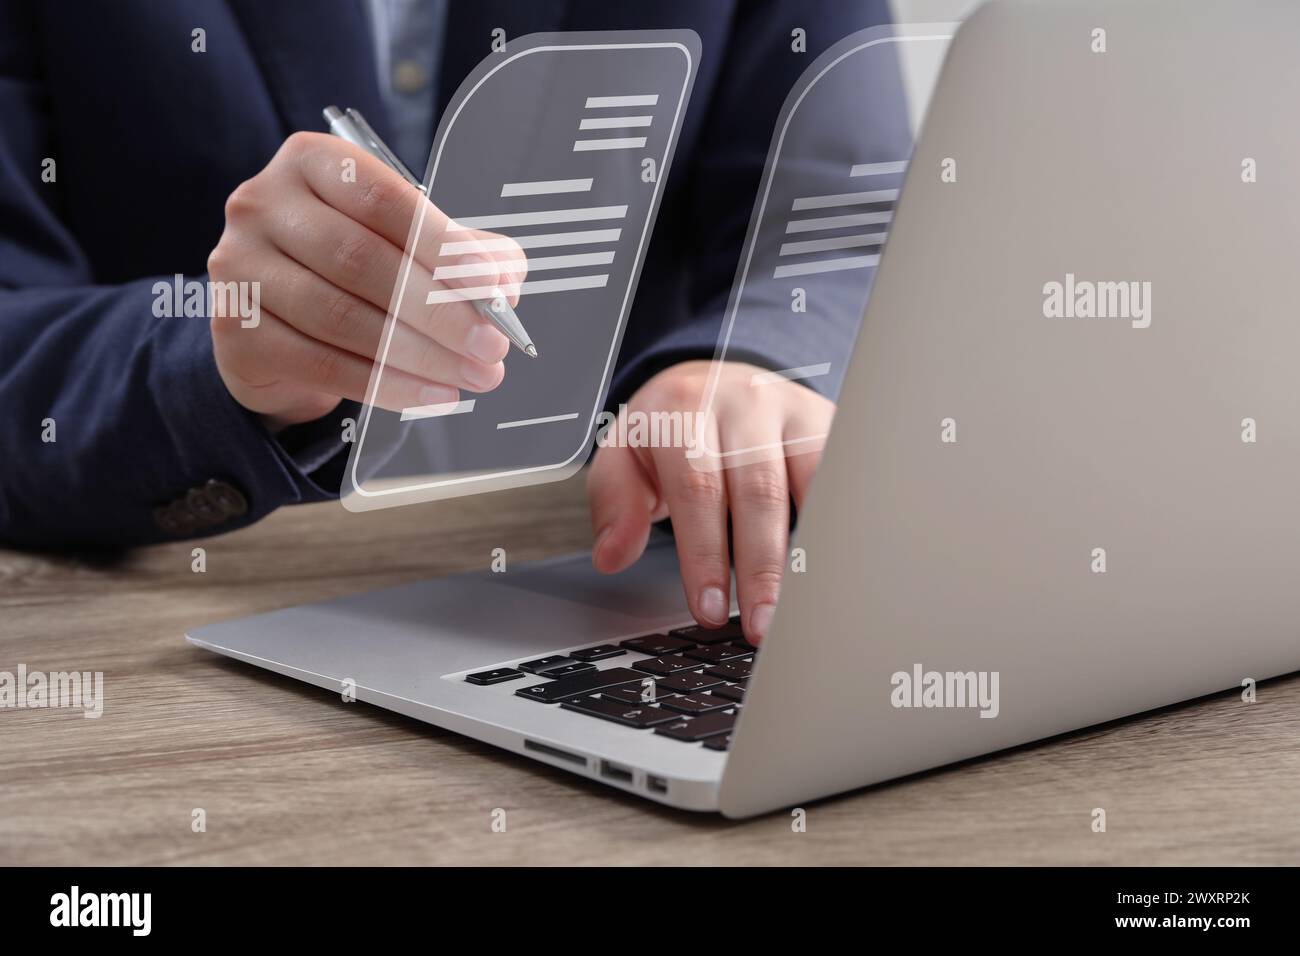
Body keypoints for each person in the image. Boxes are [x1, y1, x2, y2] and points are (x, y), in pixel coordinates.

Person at [0, 0, 903, 642]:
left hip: (602, 577)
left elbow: (841, 222)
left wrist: (742, 360)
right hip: (157, 622)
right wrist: (215, 357)